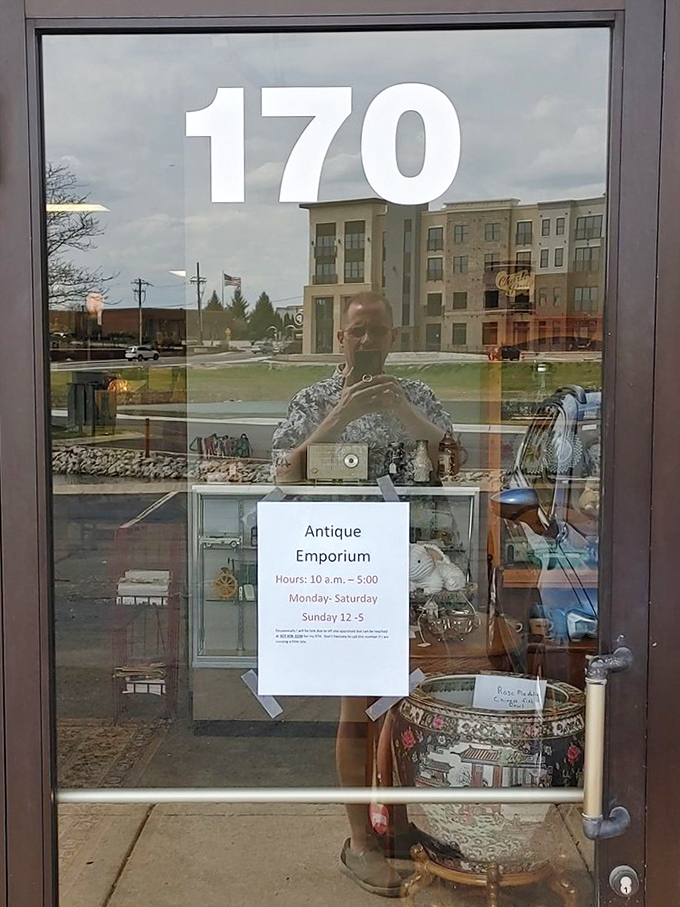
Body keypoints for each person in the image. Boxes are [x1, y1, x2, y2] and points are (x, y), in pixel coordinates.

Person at [271, 292, 454, 897]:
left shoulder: (416, 395)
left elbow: (452, 462)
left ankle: (398, 825)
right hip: (347, 570)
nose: (368, 341)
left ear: (393, 337)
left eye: (378, 331)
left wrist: (406, 414)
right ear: (340, 338)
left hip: (417, 570)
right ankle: (360, 841)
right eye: (358, 332)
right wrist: (338, 418)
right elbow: (284, 475)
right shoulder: (312, 400)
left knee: (409, 701)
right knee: (358, 706)